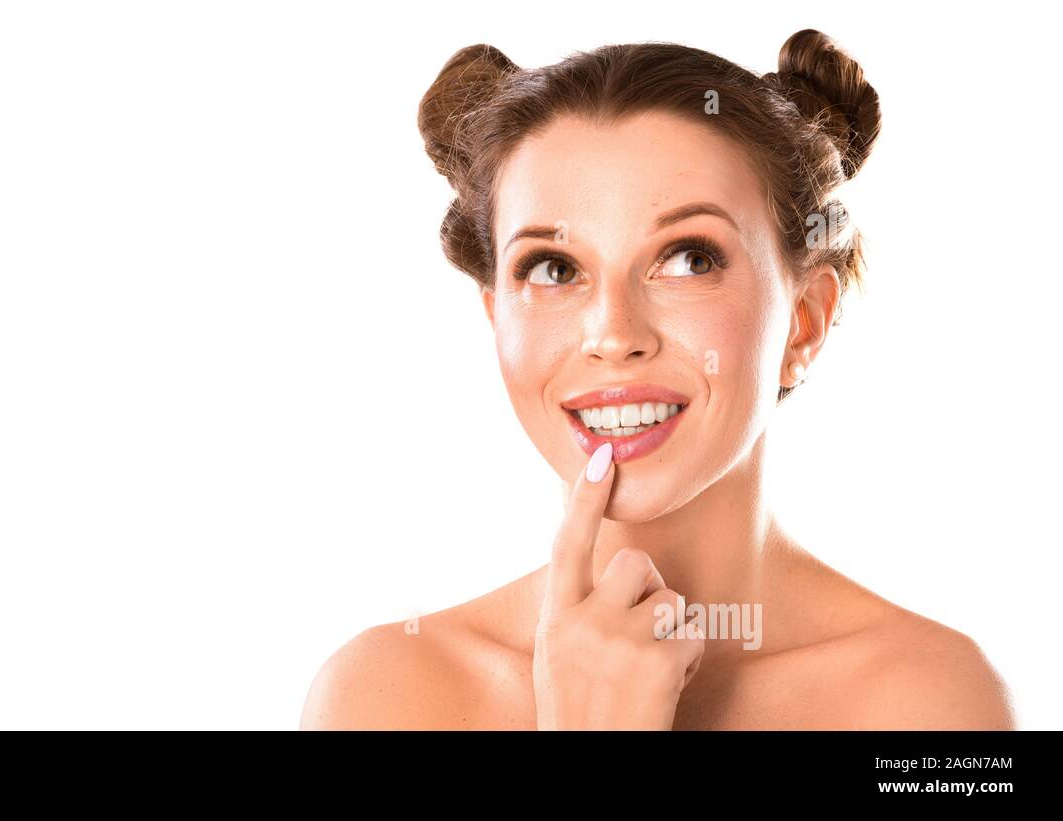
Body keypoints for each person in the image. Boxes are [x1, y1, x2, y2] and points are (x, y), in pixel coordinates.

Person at [300, 30, 1015, 730]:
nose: (613, 334)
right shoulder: (381, 698)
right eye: (553, 268)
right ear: (498, 321)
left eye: (688, 259)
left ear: (804, 320)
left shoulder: (935, 705)